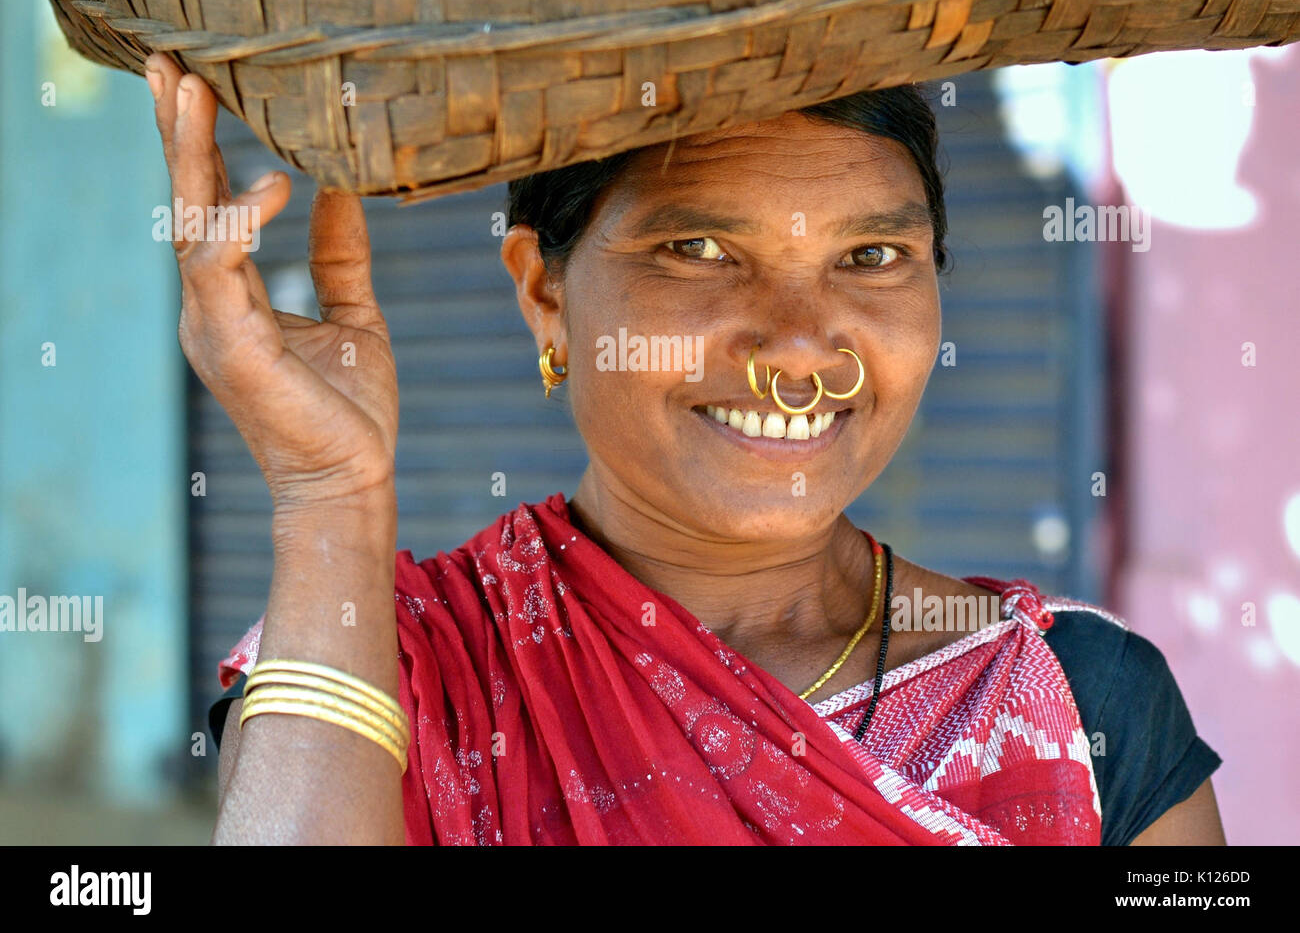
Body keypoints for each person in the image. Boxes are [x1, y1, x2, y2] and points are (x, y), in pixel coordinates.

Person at [143, 51, 1225, 846]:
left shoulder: (1081, 699)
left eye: (872, 253)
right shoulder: (390, 666)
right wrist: (328, 490)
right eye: (700, 249)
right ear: (544, 292)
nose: (798, 346)